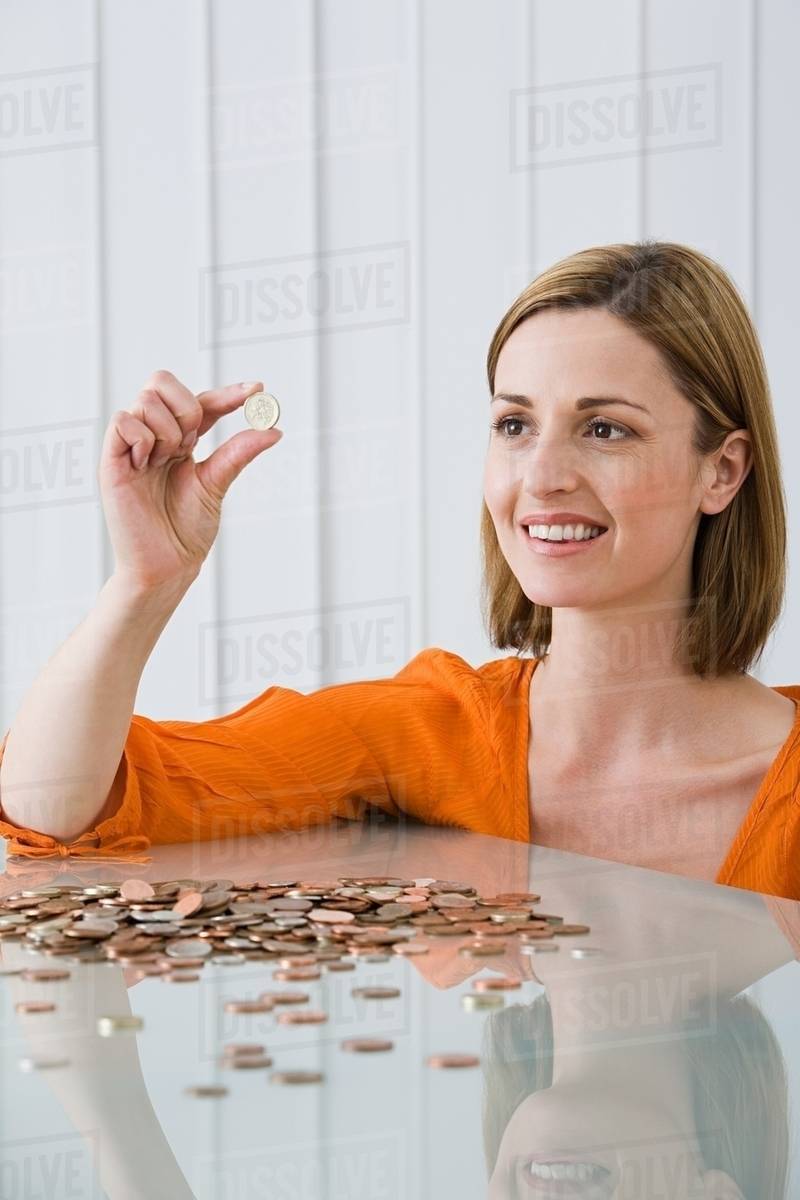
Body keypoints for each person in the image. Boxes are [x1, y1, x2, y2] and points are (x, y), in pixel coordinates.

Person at [0, 240, 798, 899]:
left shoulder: (780, 789)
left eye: (606, 430)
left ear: (721, 472)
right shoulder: (428, 734)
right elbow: (55, 809)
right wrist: (145, 582)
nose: (542, 475)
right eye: (514, 424)